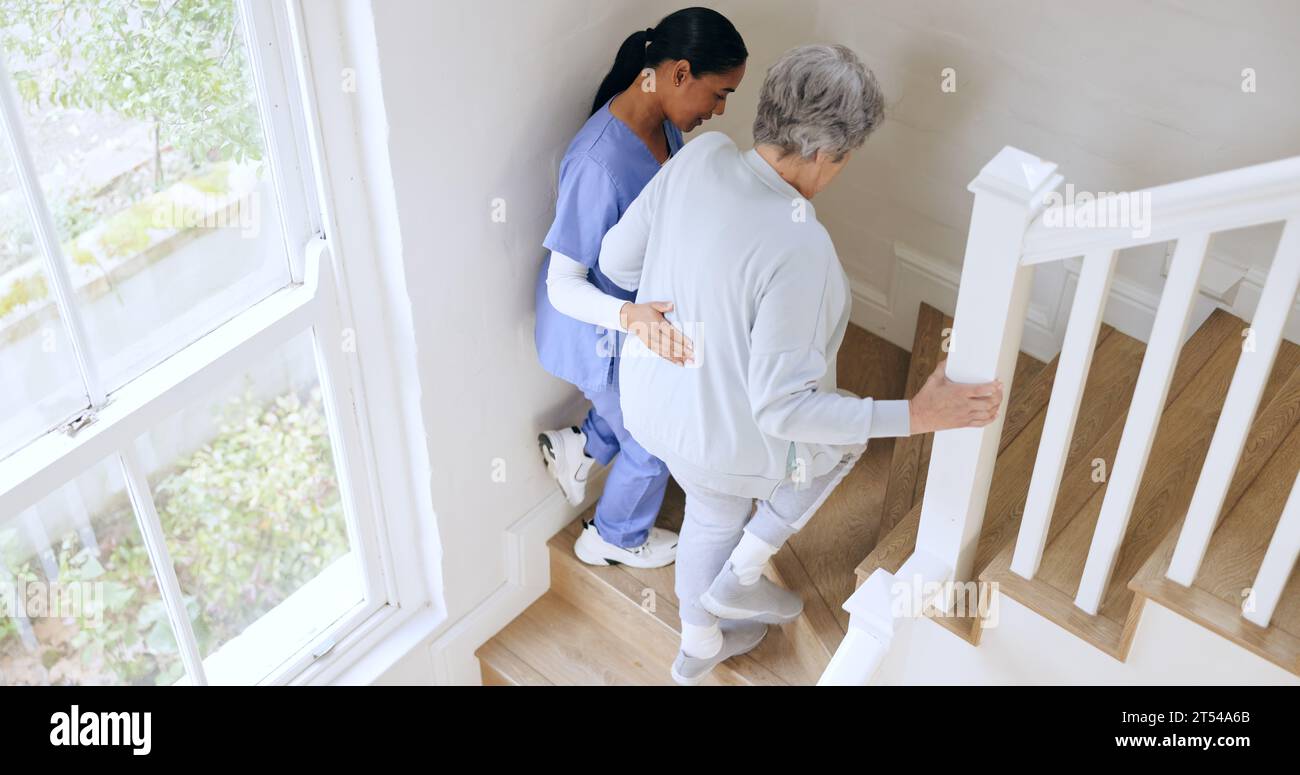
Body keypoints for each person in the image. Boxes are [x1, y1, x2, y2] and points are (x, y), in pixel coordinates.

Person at [597, 44, 1005, 683]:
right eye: (845, 159)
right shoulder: (802, 246)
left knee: (710, 508)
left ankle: (700, 642)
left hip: (650, 401)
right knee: (841, 443)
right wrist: (919, 414)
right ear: (825, 154)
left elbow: (619, 264)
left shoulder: (701, 155)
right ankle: (743, 572)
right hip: (720, 439)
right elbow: (785, 408)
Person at [534, 8, 747, 569]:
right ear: (680, 74)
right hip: (595, 329)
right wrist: (634, 321)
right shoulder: (596, 161)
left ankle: (580, 449)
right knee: (653, 441)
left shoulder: (665, 124)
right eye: (719, 94)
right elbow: (562, 285)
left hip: (634, 318)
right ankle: (612, 538)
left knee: (638, 406)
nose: (720, 110)